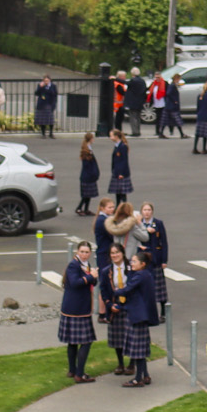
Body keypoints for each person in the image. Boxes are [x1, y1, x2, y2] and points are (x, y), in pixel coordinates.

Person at [117, 249, 159, 387]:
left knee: (138, 350)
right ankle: (145, 375)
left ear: (142, 264)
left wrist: (114, 291)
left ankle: (138, 379)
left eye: (134, 261)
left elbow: (128, 289)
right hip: (142, 314)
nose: (132, 263)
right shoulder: (146, 274)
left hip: (138, 315)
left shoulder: (140, 275)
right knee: (141, 347)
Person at [59, 243, 98, 383]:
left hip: (78, 308)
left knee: (73, 342)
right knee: (86, 341)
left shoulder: (86, 265)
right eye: (82, 251)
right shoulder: (73, 265)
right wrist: (91, 277)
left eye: (87, 252)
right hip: (77, 309)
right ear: (77, 251)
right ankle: (79, 374)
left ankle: (72, 370)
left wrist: (94, 276)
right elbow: (75, 283)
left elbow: (93, 282)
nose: (84, 254)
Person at [101, 242, 133, 376]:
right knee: (118, 337)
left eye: (117, 252)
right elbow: (104, 291)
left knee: (131, 336)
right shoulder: (106, 271)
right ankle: (120, 363)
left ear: (122, 253)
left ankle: (132, 364)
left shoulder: (131, 268)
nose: (115, 255)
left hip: (130, 306)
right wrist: (109, 305)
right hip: (115, 306)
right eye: (112, 253)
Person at [133, 202, 170, 315]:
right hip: (143, 259)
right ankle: (147, 311)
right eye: (144, 210)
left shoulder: (158, 223)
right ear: (141, 212)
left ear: (152, 211)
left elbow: (163, 242)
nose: (147, 212)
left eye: (149, 210)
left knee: (160, 287)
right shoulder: (138, 224)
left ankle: (163, 311)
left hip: (155, 259)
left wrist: (164, 260)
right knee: (145, 286)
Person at [108, 129, 133, 207]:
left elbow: (124, 161)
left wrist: (121, 173)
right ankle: (118, 206)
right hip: (116, 172)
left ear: (116, 136)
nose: (110, 138)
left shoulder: (122, 146)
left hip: (121, 173)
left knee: (122, 193)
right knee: (118, 192)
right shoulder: (117, 146)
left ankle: (125, 207)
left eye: (111, 136)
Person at [76, 133, 100, 215]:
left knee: (88, 194)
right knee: (86, 195)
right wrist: (93, 173)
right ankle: (79, 208)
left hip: (88, 176)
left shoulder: (88, 148)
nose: (94, 139)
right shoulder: (86, 151)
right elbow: (87, 165)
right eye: (93, 138)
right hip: (87, 176)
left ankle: (86, 209)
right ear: (90, 139)